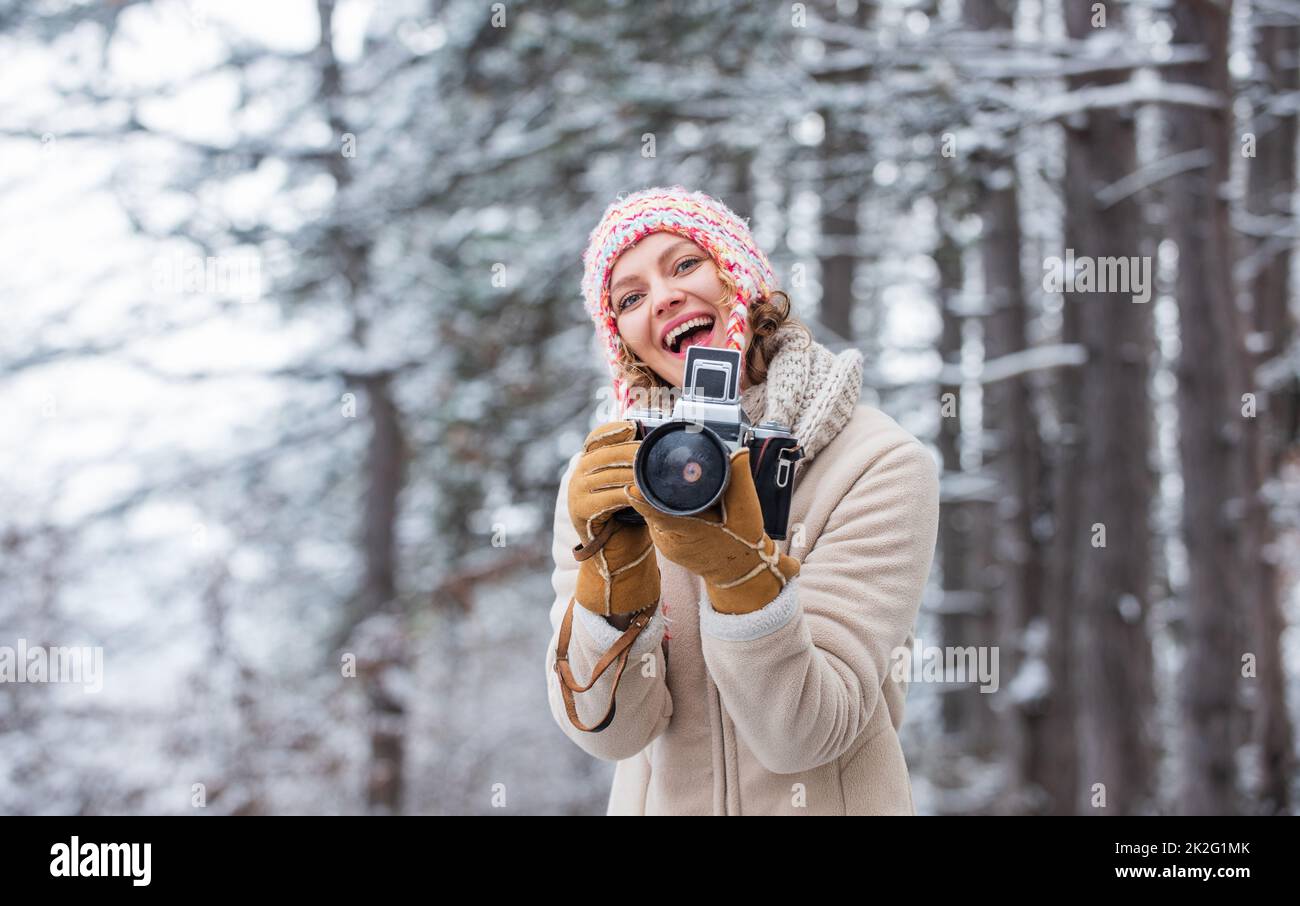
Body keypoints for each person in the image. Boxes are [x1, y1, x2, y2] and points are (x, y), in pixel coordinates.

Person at [543, 185, 940, 815]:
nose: (664, 297)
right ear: (624, 340)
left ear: (740, 277)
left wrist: (744, 579)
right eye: (631, 297)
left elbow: (804, 734)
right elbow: (608, 730)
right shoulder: (609, 479)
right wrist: (611, 584)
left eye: (684, 265)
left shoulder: (877, 462)